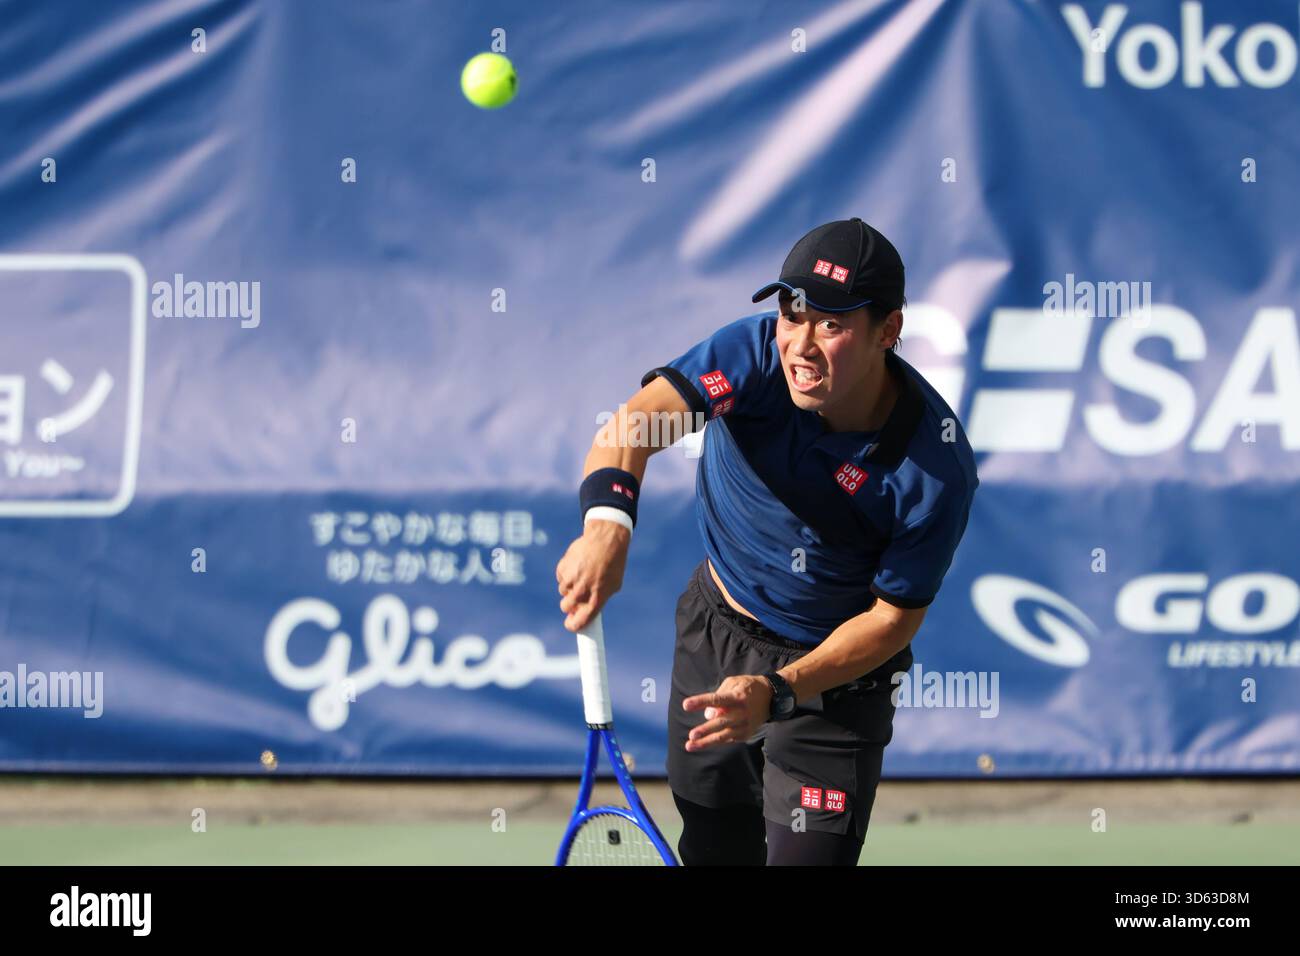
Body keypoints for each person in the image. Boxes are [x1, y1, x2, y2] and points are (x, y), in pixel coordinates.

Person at [555, 218, 978, 865]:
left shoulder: (933, 469)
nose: (801, 345)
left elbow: (893, 620)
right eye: (792, 313)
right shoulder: (751, 357)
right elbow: (636, 423)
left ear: (888, 332)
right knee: (715, 852)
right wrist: (608, 526)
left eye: (832, 325)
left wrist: (781, 690)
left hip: (833, 686)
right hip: (714, 642)